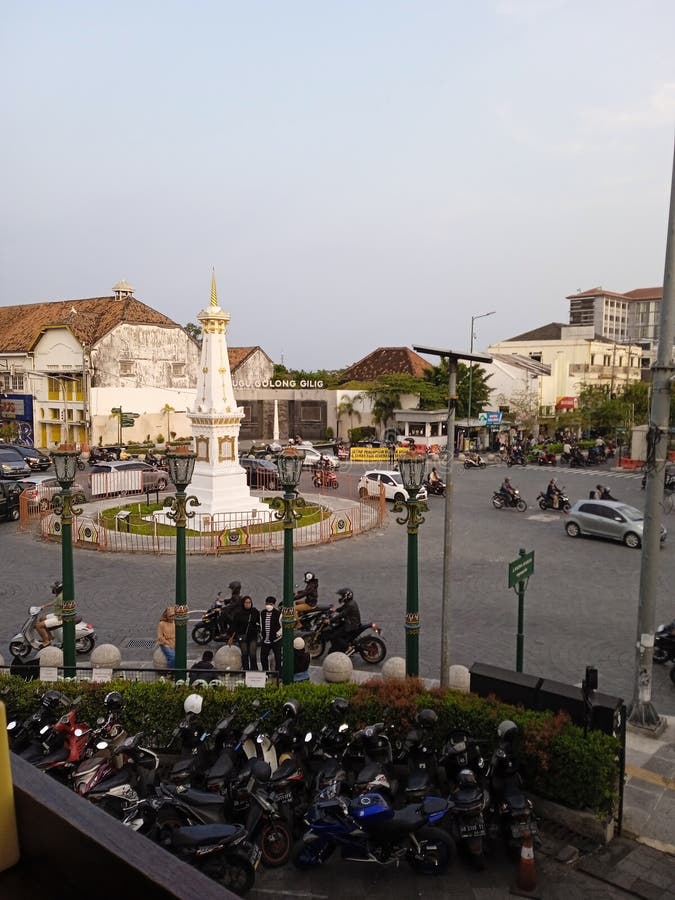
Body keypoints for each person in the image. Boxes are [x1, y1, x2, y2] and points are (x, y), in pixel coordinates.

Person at [228, 595, 260, 671]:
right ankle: (246, 669)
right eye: (246, 603)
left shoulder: (254, 611)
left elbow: (258, 622)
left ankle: (254, 669)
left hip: (252, 635)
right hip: (242, 635)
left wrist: (258, 629)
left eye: (249, 602)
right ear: (243, 603)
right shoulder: (238, 613)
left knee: (252, 653)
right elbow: (235, 626)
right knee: (244, 653)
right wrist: (231, 637)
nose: (248, 604)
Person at [327, 588, 361, 653]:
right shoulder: (350, 602)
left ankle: (348, 647)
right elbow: (343, 608)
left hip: (351, 625)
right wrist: (335, 610)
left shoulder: (350, 605)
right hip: (352, 622)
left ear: (346, 597)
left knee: (335, 636)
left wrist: (330, 620)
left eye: (342, 596)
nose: (341, 598)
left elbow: (342, 614)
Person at [35, 580, 63, 647]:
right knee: (42, 619)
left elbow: (65, 607)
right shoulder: (60, 594)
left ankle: (46, 641)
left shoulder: (61, 597)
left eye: (54, 589)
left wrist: (61, 616)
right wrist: (43, 606)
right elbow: (55, 602)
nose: (53, 590)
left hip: (60, 617)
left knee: (38, 626)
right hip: (57, 615)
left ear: (58, 589)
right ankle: (50, 637)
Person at [259, 596, 282, 672]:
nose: (268, 606)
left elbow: (283, 626)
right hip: (265, 640)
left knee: (278, 658)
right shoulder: (262, 613)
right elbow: (261, 624)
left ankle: (278, 673)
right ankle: (265, 672)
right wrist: (262, 634)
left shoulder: (278, 614)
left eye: (271, 604)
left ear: (274, 605)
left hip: (276, 640)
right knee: (263, 657)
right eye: (267, 604)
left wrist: (277, 634)